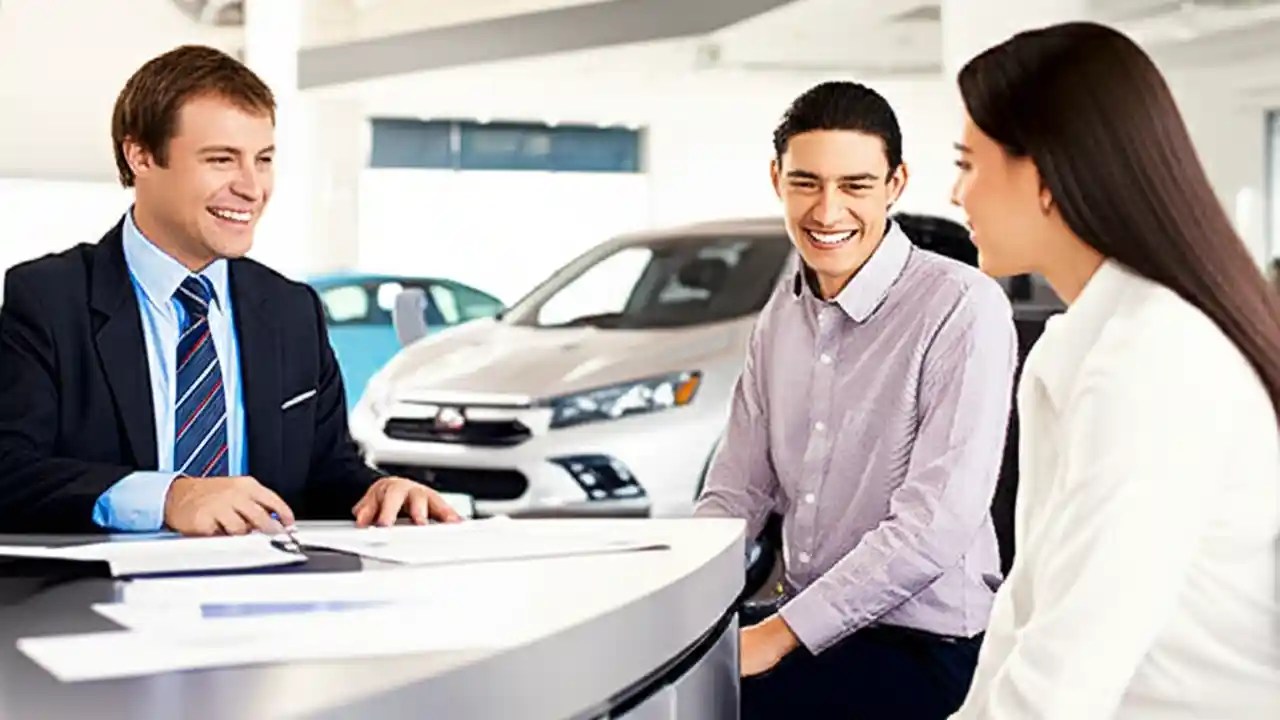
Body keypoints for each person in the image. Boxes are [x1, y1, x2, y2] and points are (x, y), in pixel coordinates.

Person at [949, 22, 1280, 719]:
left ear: (1041, 175)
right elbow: (1028, 606)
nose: (957, 195)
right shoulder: (1086, 341)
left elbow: (1069, 670)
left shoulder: (1153, 362)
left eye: (969, 164)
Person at [0, 45, 461, 535]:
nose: (252, 187)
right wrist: (169, 497)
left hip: (264, 599)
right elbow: (8, 471)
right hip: (99, 604)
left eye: (262, 160)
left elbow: (326, 472)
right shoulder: (49, 300)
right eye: (221, 159)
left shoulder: (291, 311)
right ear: (139, 155)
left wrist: (378, 491)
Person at [693, 81, 1018, 718]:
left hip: (925, 640)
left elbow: (935, 526)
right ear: (776, 179)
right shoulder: (781, 316)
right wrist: (677, 606)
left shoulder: (961, 305)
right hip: (807, 619)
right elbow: (736, 494)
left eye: (855, 186)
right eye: (806, 182)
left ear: (896, 184)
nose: (827, 210)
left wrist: (774, 637)